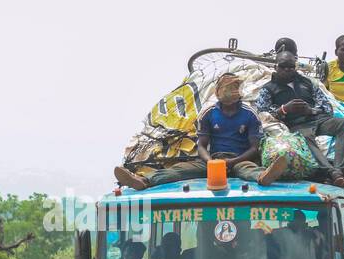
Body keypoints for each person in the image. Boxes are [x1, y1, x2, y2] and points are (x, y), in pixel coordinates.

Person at [116, 73, 282, 189]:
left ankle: (264, 176)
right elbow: (202, 144)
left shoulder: (249, 114)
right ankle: (143, 180)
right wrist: (210, 162)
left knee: (248, 170)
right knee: (179, 170)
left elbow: (254, 148)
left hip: (238, 159)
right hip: (212, 160)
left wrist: (232, 162)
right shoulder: (209, 114)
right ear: (218, 93)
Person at [256, 52, 344, 187]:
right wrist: (284, 109)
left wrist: (311, 110)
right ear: (275, 66)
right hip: (297, 125)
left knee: (343, 124)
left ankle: (340, 170)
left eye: (291, 67)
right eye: (283, 66)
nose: (287, 70)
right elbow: (262, 113)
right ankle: (333, 173)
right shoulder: (268, 89)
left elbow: (327, 107)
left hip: (318, 119)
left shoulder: (307, 83)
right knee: (305, 137)